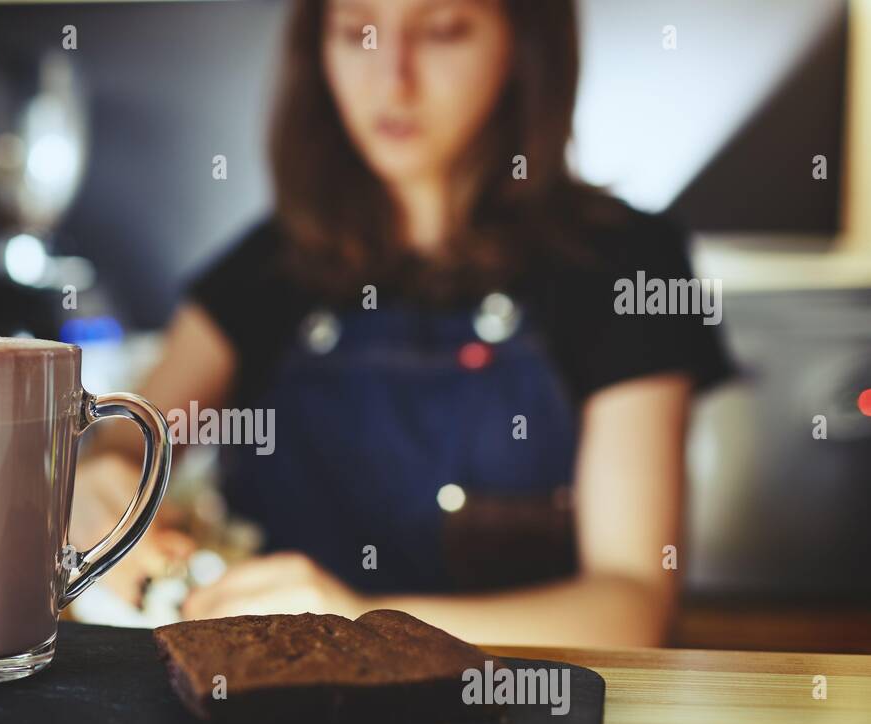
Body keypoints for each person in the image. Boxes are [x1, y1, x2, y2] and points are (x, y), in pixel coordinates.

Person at [72, 0, 731, 648]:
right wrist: (101, 481)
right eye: (358, 31)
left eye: (444, 31)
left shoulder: (624, 265)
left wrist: (356, 621)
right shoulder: (267, 269)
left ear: (523, 41)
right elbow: (131, 439)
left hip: (524, 723)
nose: (392, 79)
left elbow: (632, 608)